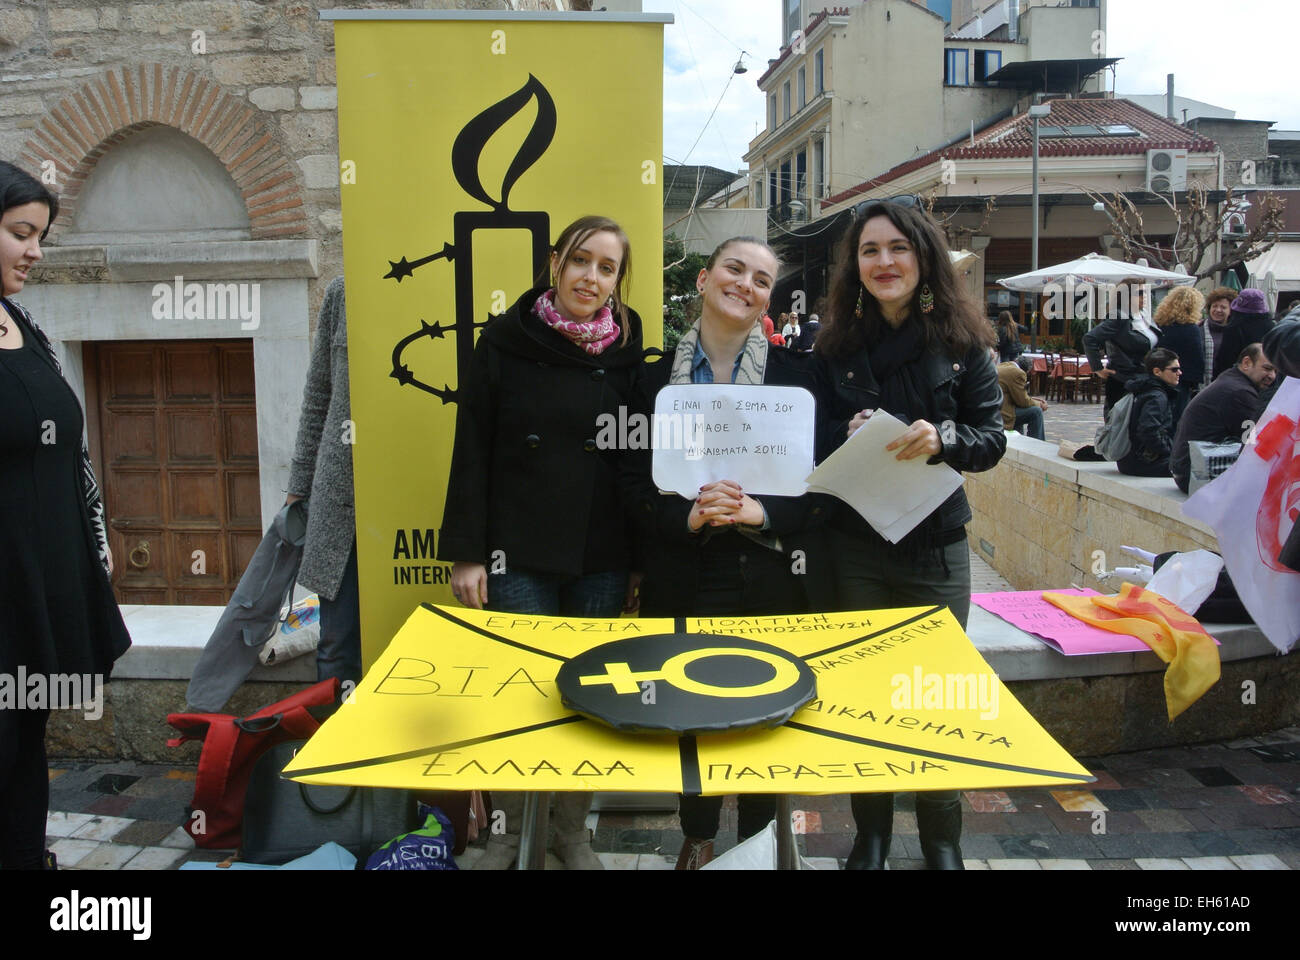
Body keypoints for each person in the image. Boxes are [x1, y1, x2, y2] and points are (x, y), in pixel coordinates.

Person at [438, 215, 644, 870]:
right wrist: (468, 550)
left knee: (590, 698)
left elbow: (638, 462)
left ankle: (568, 832)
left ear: (617, 281)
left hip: (601, 554)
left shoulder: (629, 351)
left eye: (606, 268)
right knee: (521, 694)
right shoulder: (502, 340)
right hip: (517, 550)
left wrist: (642, 559)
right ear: (555, 262)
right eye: (581, 261)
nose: (591, 277)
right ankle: (508, 833)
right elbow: (471, 445)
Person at [814, 201, 1006, 870]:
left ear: (922, 258)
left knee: (935, 698)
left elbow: (990, 442)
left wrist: (942, 437)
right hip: (857, 546)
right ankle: (870, 836)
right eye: (870, 250)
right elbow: (806, 450)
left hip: (936, 548)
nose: (885, 262)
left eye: (898, 248)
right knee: (866, 696)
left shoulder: (962, 344)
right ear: (856, 265)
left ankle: (941, 842)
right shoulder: (833, 348)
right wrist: (845, 435)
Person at [628, 236, 829, 869]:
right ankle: (699, 834)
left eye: (762, 279)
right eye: (734, 269)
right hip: (683, 566)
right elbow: (627, 483)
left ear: (770, 297)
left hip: (768, 568)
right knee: (694, 708)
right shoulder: (650, 377)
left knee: (766, 705)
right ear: (705, 278)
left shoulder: (800, 378)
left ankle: (760, 842)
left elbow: (821, 486)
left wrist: (762, 511)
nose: (746, 284)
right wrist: (683, 515)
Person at [0, 161, 131, 869]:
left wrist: (94, 545)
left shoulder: (20, 320)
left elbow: (67, 451)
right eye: (21, 233)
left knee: (23, 749)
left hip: (38, 598)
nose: (35, 251)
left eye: (41, 236)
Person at [285, 277, 361, 693]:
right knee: (338, 644)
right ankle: (338, 753)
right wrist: (300, 487)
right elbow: (318, 395)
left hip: (416, 498)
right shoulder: (342, 292)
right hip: (343, 497)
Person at [1169, 344, 1275, 493]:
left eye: (1276, 370)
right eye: (1267, 368)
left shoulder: (1232, 381)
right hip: (1199, 475)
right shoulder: (1239, 392)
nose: (1272, 376)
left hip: (1191, 470)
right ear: (1246, 363)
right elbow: (1253, 442)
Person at [1084, 280, 1160, 418]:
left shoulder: (1143, 316)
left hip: (1144, 379)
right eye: (1139, 293)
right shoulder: (1118, 317)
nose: (1144, 296)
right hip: (1123, 380)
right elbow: (1090, 339)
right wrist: (1098, 368)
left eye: (1145, 292)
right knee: (1119, 428)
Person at [1116, 348, 1180, 478]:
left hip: (1127, 460)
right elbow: (1148, 431)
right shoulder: (1156, 396)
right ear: (1157, 371)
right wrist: (1169, 450)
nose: (1179, 372)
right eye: (1174, 369)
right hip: (1144, 463)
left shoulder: (1141, 389)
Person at [1153, 286, 1205, 429]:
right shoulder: (1191, 329)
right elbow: (1197, 358)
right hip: (1181, 379)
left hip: (1159, 376)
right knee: (1176, 419)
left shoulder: (1159, 325)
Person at [1212, 288, 1273, 382]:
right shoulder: (1272, 327)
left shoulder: (1234, 328)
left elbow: (1225, 360)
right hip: (1267, 379)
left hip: (1238, 379)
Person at [996, 350, 1047, 440]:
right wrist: (1039, 404)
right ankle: (1038, 444)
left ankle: (1020, 440)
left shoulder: (1004, 365)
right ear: (1026, 370)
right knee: (1036, 412)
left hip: (996, 407)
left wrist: (1033, 400)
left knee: (1023, 410)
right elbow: (1022, 401)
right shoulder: (1018, 373)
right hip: (1002, 412)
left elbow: (1018, 396)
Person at [1201, 286, 1236, 386]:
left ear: (1230, 310)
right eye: (1215, 306)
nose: (1218, 310)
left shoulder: (1235, 331)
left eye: (1223, 307)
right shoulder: (1199, 329)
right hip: (1202, 385)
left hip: (1227, 383)